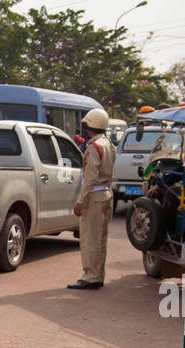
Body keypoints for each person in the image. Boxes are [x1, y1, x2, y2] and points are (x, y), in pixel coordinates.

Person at [67, 108, 117, 291]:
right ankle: (98, 275)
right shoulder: (109, 144)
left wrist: (80, 201)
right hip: (106, 194)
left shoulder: (94, 147)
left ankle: (90, 276)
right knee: (101, 239)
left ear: (89, 125)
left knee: (90, 239)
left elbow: (90, 177)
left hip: (94, 196)